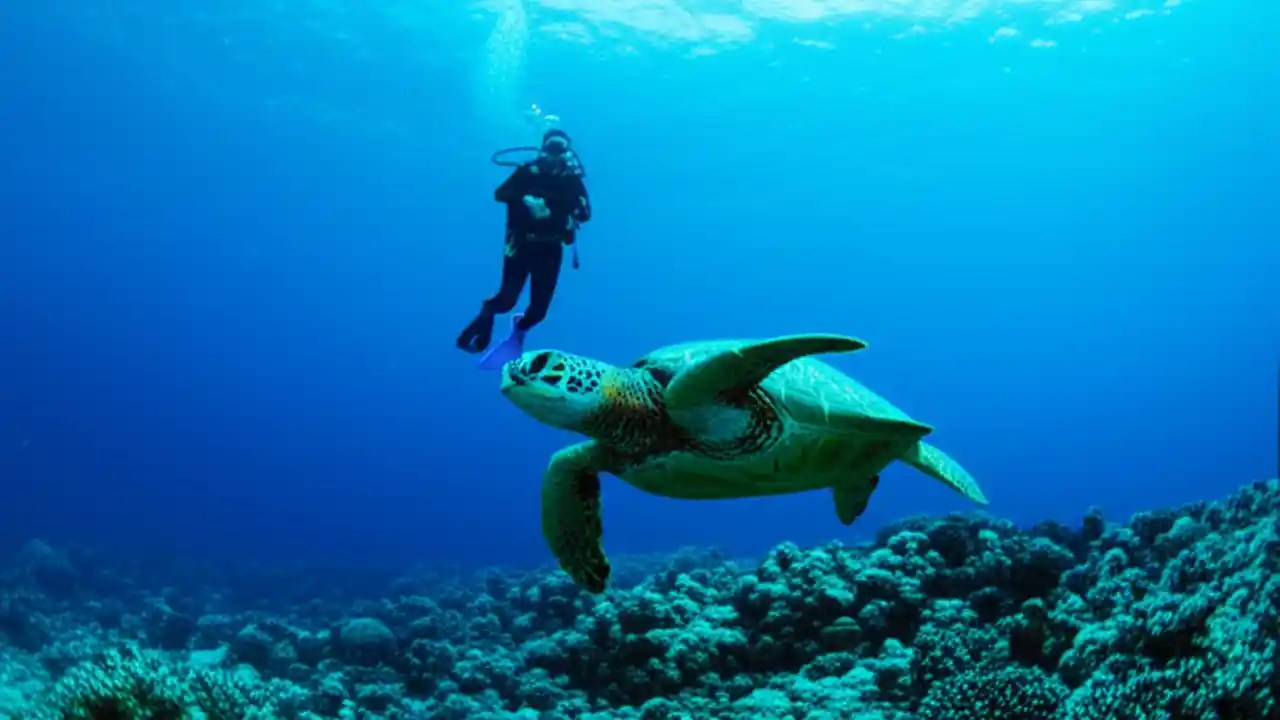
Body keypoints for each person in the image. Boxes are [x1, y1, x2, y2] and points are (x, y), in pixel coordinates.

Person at [456, 128, 592, 369]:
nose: (554, 153)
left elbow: (586, 213)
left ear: (567, 152)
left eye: (560, 148)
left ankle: (517, 334)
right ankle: (488, 311)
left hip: (550, 249)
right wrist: (525, 200)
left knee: (538, 312)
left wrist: (553, 212)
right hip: (520, 245)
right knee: (506, 300)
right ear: (543, 148)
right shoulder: (527, 172)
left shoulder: (571, 181)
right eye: (551, 147)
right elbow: (500, 194)